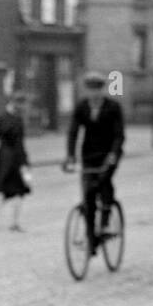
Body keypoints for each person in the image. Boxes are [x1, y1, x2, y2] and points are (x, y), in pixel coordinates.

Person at [64, 70, 125, 256]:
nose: (94, 93)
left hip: (109, 154)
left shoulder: (113, 107)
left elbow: (119, 135)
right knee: (88, 195)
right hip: (89, 155)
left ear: (102, 90)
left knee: (104, 181)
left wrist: (113, 154)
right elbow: (73, 132)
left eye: (97, 89)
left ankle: (105, 221)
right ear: (86, 91)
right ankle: (91, 238)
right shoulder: (82, 107)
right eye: (90, 89)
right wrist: (71, 156)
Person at [0, 93, 31, 231]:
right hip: (14, 160)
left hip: (3, 157)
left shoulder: (3, 116)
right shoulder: (16, 119)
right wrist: (24, 163)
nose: (24, 106)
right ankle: (14, 223)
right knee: (19, 191)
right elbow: (19, 143)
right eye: (22, 103)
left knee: (10, 192)